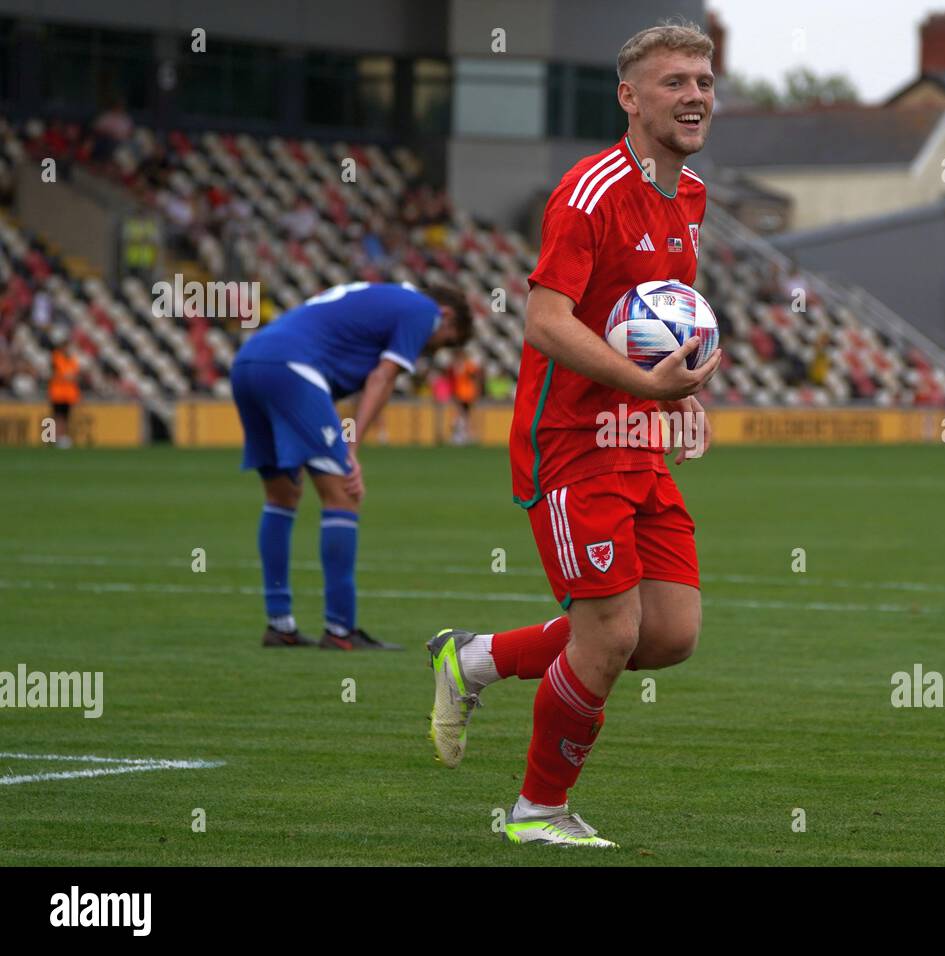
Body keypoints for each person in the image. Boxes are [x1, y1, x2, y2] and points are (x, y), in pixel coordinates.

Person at [425, 19, 722, 848]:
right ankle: (536, 812)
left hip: (638, 436)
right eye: (675, 82)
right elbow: (544, 320)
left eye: (703, 81)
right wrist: (642, 385)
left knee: (669, 634)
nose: (695, 95)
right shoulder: (588, 192)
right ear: (630, 98)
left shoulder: (691, 196)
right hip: (570, 441)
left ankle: (474, 659)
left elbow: (649, 325)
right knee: (611, 632)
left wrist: (674, 396)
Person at [231, 281, 470, 649]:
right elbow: (383, 377)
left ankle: (280, 624)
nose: (435, 349)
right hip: (292, 365)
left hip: (249, 362)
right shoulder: (424, 311)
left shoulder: (381, 297)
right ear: (448, 315)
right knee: (344, 494)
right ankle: (341, 630)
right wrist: (351, 448)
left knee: (282, 495)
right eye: (447, 340)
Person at [47, 331, 81, 448]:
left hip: (68, 394)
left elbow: (75, 375)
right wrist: (65, 376)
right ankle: (52, 437)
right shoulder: (56, 357)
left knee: (65, 417)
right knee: (57, 416)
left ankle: (61, 438)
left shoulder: (72, 359)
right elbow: (53, 373)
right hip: (57, 393)